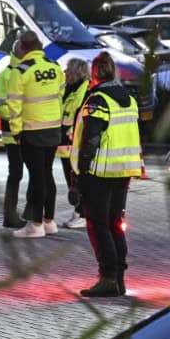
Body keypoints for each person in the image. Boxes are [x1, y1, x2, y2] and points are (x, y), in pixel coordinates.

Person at [73, 51, 143, 298]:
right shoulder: (129, 99)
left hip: (99, 172)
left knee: (98, 226)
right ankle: (119, 279)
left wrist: (81, 171)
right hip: (123, 171)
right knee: (115, 225)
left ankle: (108, 278)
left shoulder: (98, 101)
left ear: (95, 73)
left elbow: (91, 138)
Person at [6, 31, 64, 239]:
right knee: (47, 174)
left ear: (23, 47)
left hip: (32, 131)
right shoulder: (55, 67)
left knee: (37, 178)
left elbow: (14, 105)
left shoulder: (21, 71)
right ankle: (49, 221)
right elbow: (60, 94)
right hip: (53, 129)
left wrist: (16, 131)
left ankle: (36, 225)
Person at [57, 56, 91, 227]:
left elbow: (80, 118)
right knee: (71, 180)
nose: (65, 72)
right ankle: (80, 212)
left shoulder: (85, 92)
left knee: (78, 180)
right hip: (65, 143)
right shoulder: (67, 89)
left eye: (68, 70)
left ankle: (82, 214)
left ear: (76, 73)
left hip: (74, 142)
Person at [0, 50, 25, 229]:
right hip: (14, 135)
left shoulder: (24, 72)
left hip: (25, 132)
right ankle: (10, 215)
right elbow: (0, 107)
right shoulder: (6, 75)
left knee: (22, 174)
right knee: (16, 174)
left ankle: (20, 214)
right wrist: (21, 119)